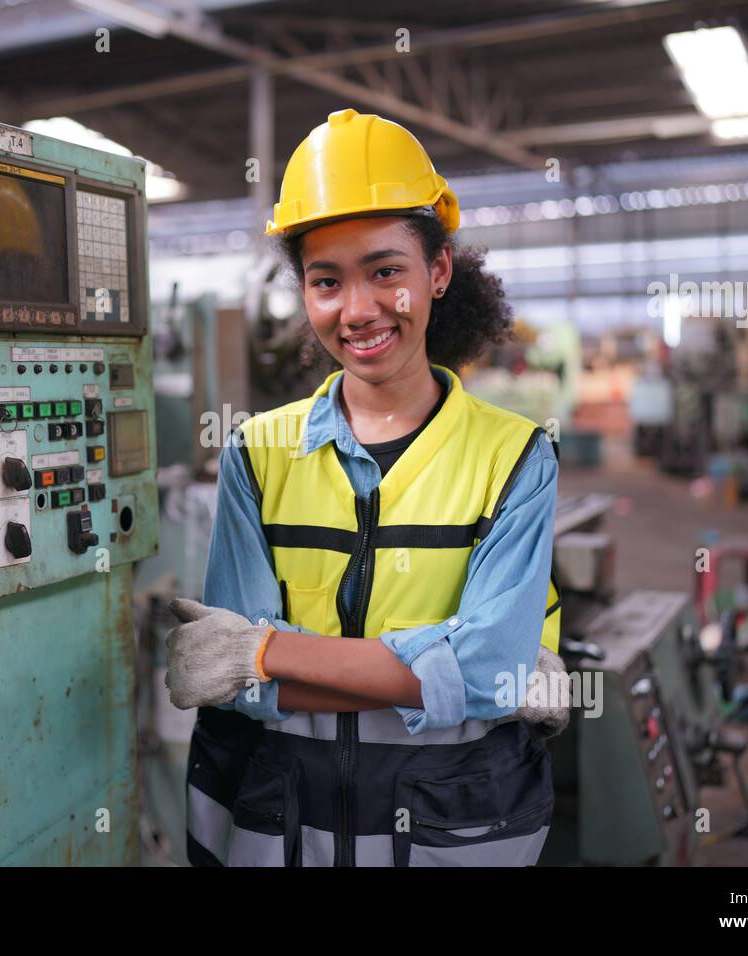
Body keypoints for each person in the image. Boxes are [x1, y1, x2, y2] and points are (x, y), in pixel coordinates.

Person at [166, 108, 567, 868]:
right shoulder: (257, 454)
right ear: (304, 292)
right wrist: (445, 677)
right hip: (284, 831)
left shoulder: (514, 457)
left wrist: (270, 651)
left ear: (437, 272)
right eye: (327, 280)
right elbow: (241, 689)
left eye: (386, 271)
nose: (358, 310)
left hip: (454, 831)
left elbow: (486, 672)